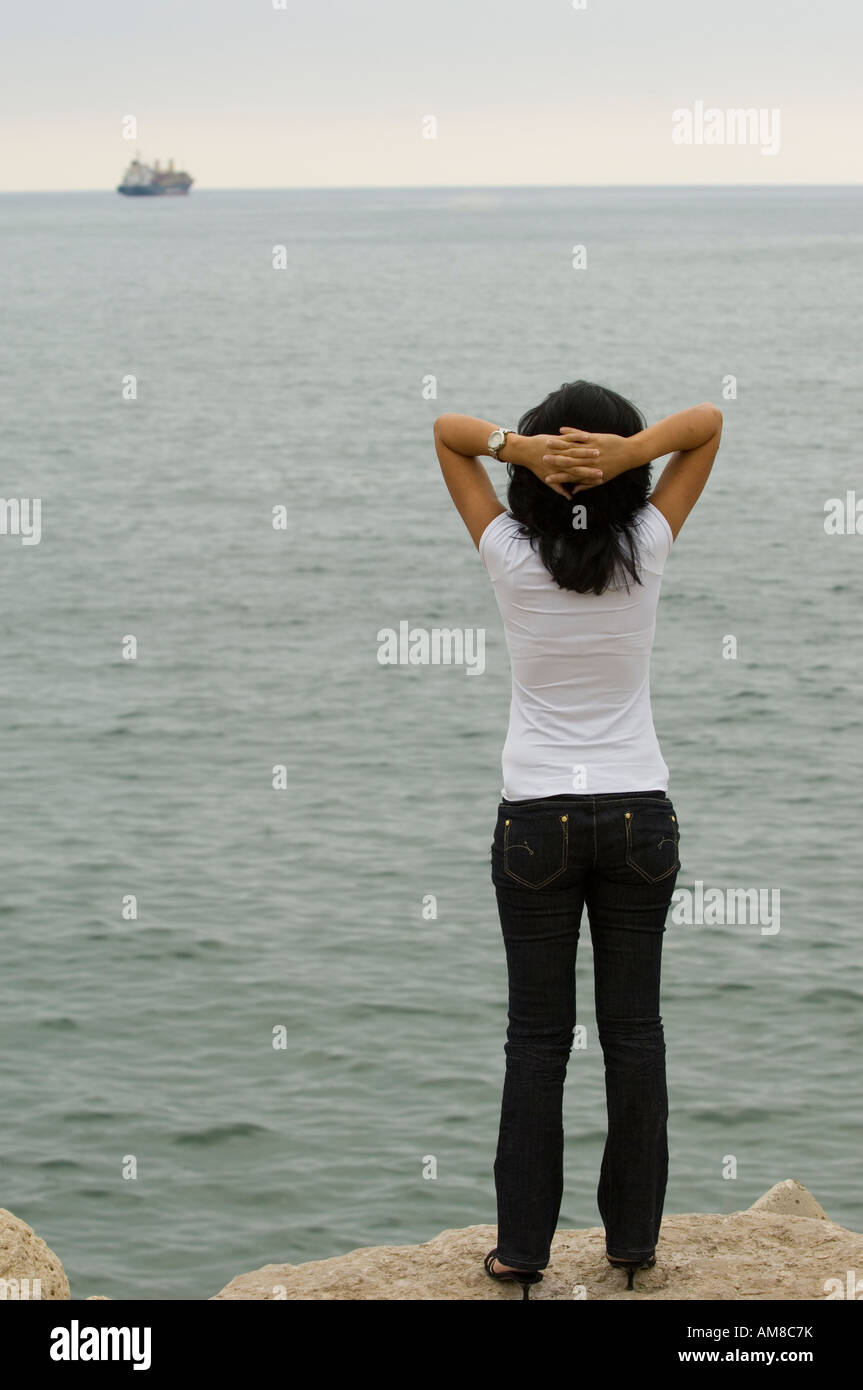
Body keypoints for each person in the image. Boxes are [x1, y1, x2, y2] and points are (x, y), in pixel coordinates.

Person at [433, 382, 723, 1297]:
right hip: (639, 814)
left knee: (536, 1042)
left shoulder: (508, 554)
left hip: (535, 823)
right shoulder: (647, 544)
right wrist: (626, 457)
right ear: (625, 473)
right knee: (635, 1036)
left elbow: (448, 437)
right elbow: (707, 427)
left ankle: (521, 1253)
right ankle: (631, 1247)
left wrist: (517, 448)